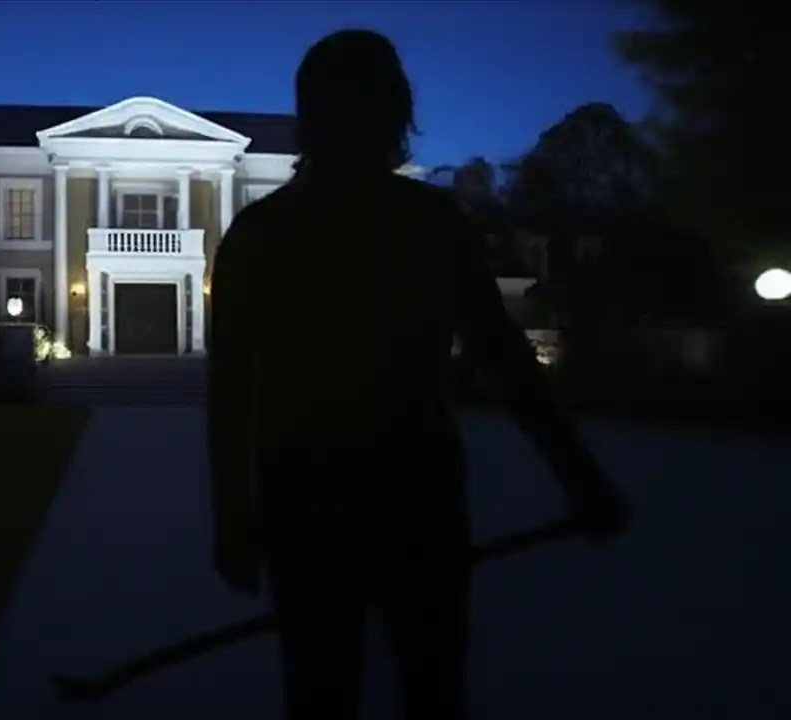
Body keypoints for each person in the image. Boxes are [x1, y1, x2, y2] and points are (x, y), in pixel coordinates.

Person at [206, 29, 633, 720]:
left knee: (322, 694)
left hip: (307, 504)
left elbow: (228, 397)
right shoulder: (429, 221)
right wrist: (580, 476)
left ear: (308, 118)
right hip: (414, 498)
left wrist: (233, 520)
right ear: (395, 111)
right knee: (431, 689)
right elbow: (503, 359)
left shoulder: (259, 233)